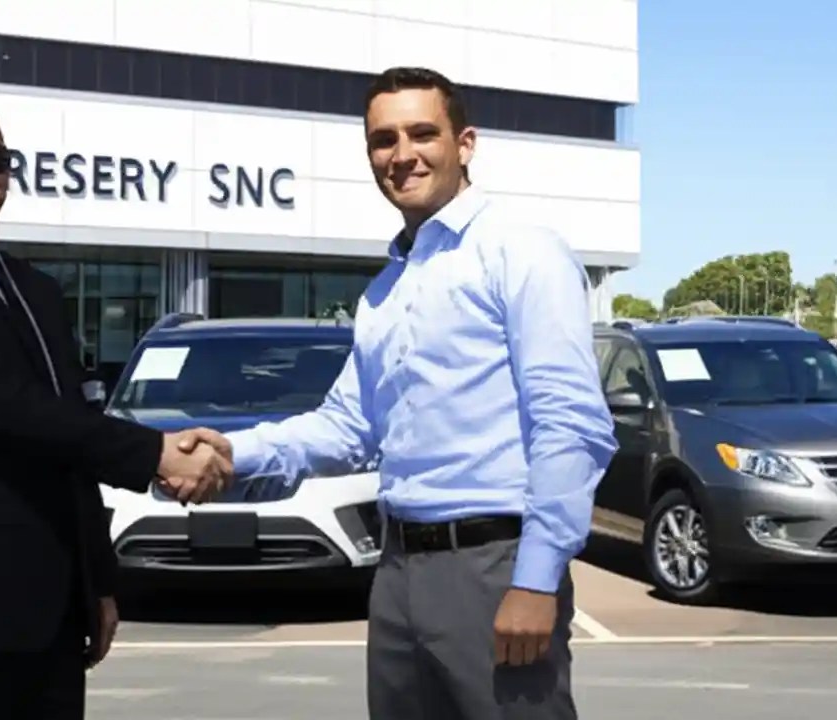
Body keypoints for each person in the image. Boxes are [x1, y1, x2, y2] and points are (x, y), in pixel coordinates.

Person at [177, 67, 618, 719]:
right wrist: (231, 454)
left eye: (421, 133)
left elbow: (572, 426)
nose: (402, 154)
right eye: (383, 139)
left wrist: (536, 578)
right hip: (397, 575)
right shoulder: (386, 290)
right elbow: (346, 428)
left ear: (464, 143)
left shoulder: (521, 252)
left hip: (494, 567)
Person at [0, 93, 231, 719]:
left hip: (49, 617)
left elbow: (70, 433)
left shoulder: (36, 290)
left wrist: (99, 583)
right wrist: (156, 453)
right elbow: (8, 411)